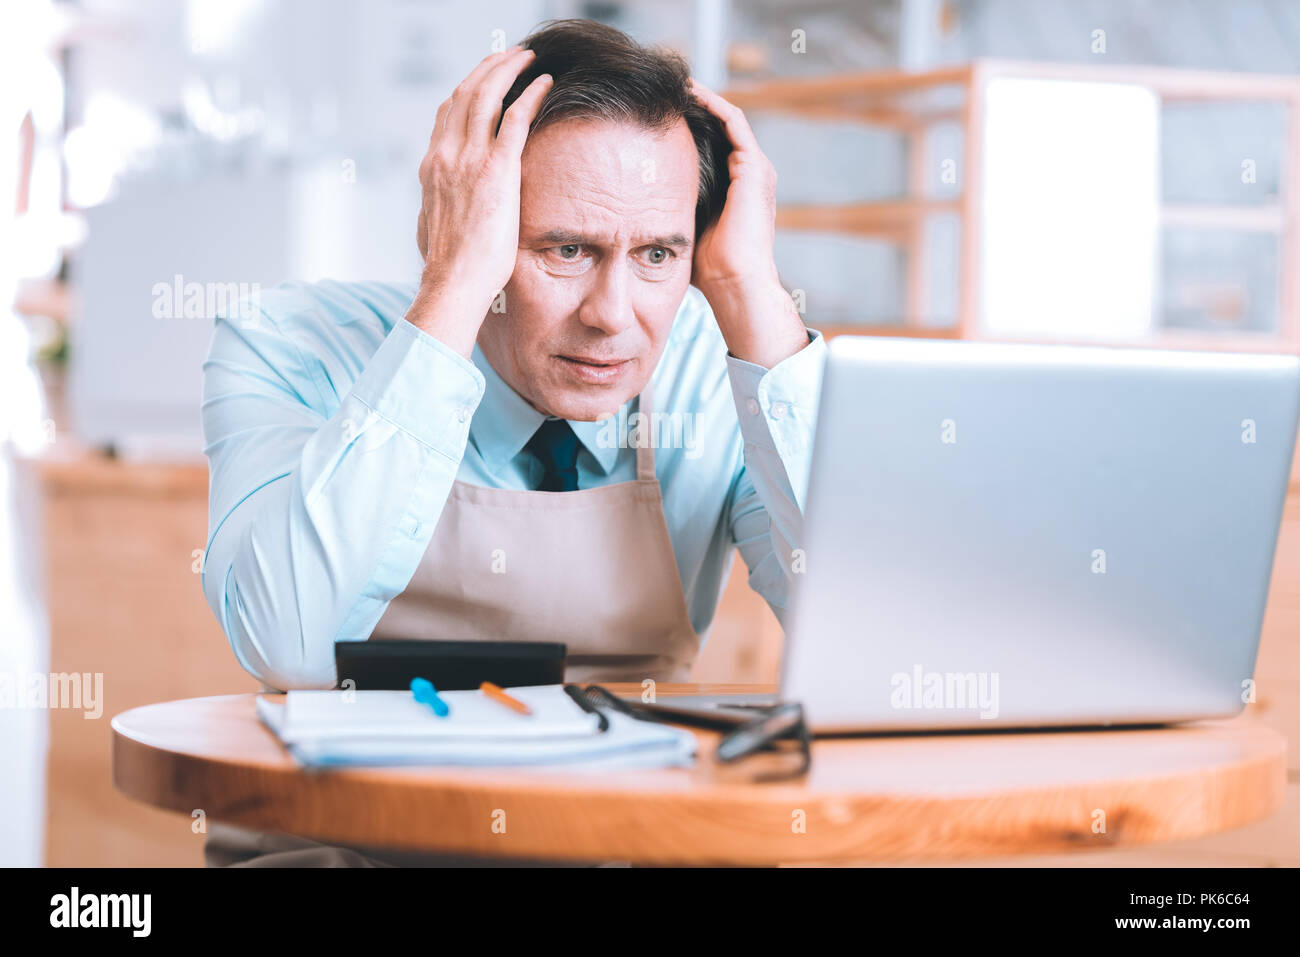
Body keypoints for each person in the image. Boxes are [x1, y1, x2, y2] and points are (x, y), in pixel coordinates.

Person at [200, 18, 825, 866]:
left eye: (657, 253)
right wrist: (453, 284)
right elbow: (285, 637)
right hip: (348, 845)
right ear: (472, 224)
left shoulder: (711, 381)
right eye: (565, 249)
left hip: (626, 844)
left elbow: (860, 625)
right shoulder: (290, 344)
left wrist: (750, 289)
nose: (612, 315)